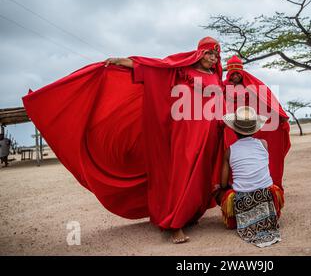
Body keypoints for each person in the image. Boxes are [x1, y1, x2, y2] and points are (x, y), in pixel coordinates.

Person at [23, 37, 225, 244]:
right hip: (186, 134)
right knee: (183, 174)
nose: (213, 58)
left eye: (216, 55)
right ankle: (174, 225)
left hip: (210, 135)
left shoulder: (215, 76)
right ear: (199, 53)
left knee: (201, 176)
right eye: (209, 53)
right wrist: (122, 61)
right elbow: (154, 68)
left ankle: (189, 215)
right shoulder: (181, 70)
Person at [222, 55, 291, 191]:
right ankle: (234, 185)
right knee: (232, 155)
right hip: (232, 125)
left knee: (262, 153)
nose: (235, 76)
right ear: (228, 73)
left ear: (241, 72)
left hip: (250, 122)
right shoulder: (223, 87)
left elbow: (268, 100)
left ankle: (269, 182)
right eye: (232, 73)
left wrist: (280, 115)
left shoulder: (253, 84)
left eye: (238, 73)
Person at [220, 106, 282, 247]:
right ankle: (268, 214)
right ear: (255, 128)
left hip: (243, 199)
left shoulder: (229, 151)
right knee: (274, 188)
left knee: (220, 191)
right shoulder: (263, 144)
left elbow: (223, 184)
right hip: (266, 196)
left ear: (234, 129)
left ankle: (238, 219)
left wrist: (223, 187)